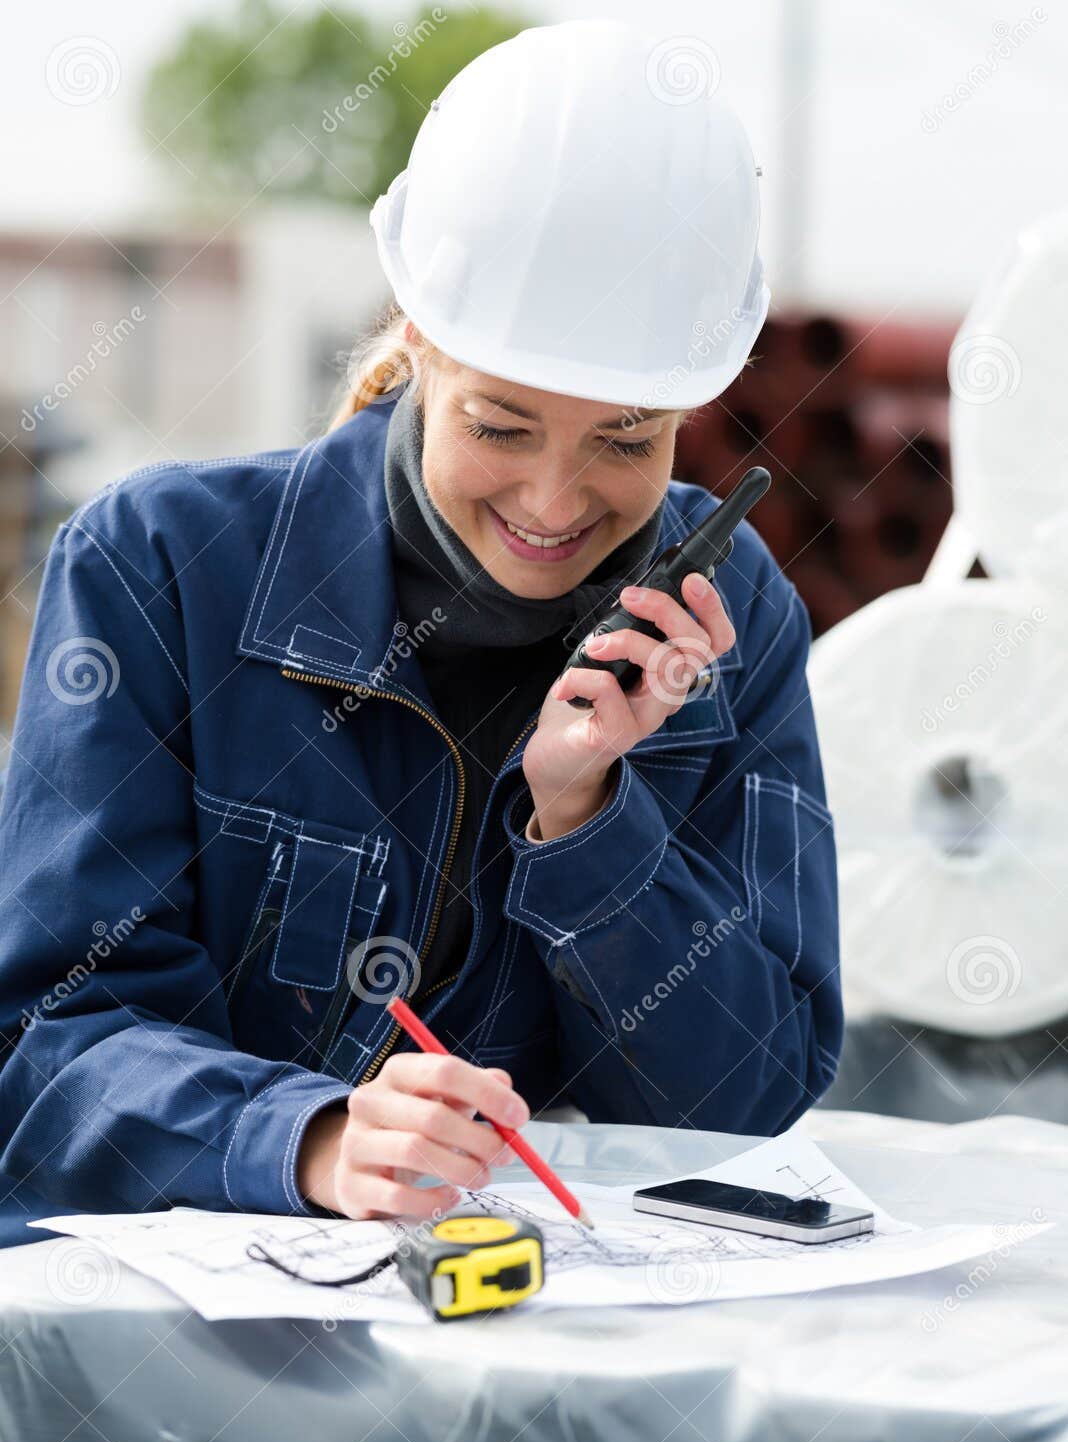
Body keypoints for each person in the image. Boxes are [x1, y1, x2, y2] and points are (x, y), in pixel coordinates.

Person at [0, 20, 842, 1243]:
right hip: (156, 1342)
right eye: (501, 427)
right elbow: (41, 1045)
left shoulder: (731, 618)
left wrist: (588, 825)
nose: (554, 503)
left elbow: (746, 1106)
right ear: (416, 340)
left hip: (536, 1336)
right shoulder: (162, 568)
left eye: (626, 440)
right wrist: (310, 1139)